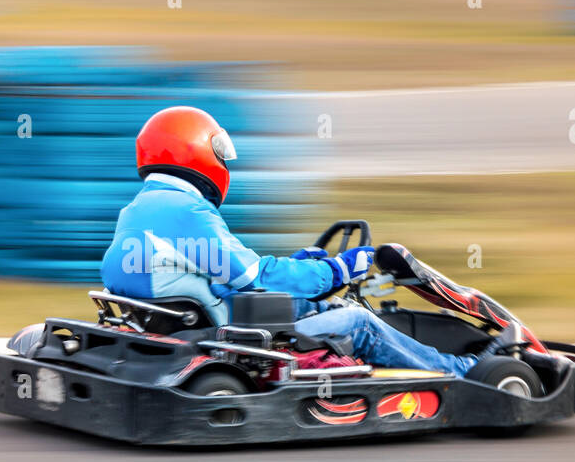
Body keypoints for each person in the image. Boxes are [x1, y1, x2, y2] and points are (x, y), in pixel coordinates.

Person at [101, 106, 518, 374]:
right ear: (195, 151)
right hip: (229, 336)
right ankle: (465, 371)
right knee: (358, 321)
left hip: (191, 322)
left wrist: (304, 263)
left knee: (319, 305)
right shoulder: (186, 212)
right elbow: (255, 276)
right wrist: (336, 270)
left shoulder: (141, 209)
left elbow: (217, 274)